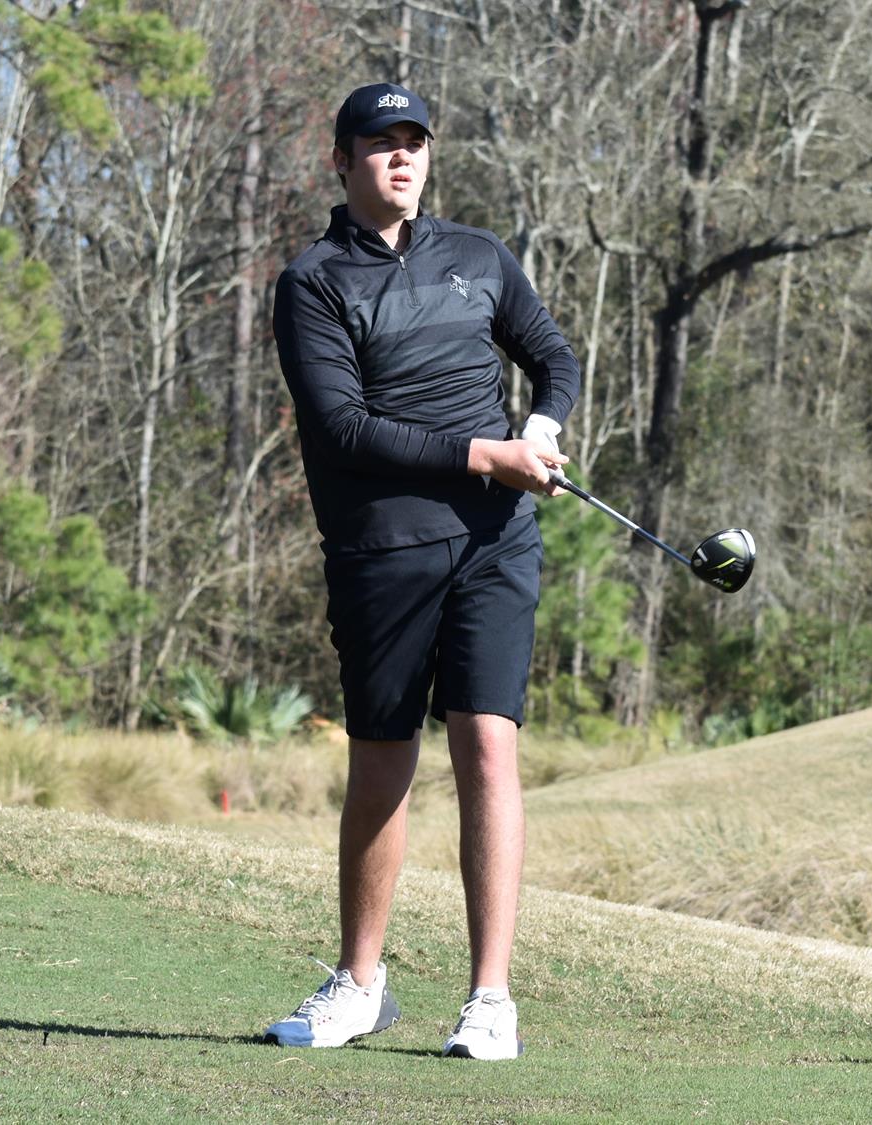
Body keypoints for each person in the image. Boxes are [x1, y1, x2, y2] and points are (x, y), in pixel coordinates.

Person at [263, 82, 580, 1061]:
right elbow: (343, 427)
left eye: (414, 143)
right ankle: (359, 984)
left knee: (487, 745)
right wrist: (491, 456)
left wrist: (538, 427)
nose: (401, 159)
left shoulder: (477, 257)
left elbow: (551, 354)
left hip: (493, 543)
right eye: (380, 144)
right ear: (342, 161)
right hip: (380, 550)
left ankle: (490, 1001)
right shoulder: (312, 282)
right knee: (383, 758)